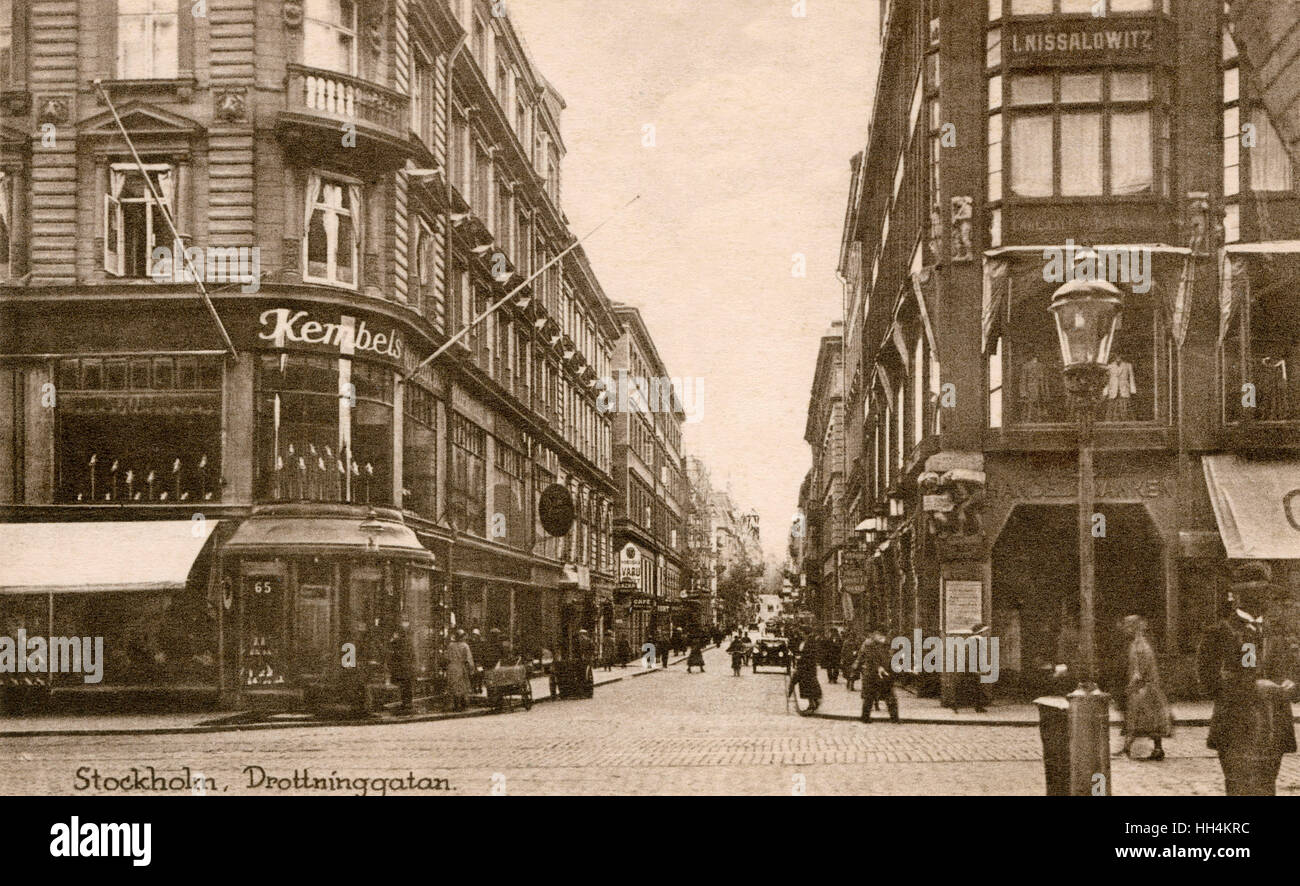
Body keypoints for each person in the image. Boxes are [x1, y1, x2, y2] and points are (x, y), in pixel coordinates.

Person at [1198, 562, 1297, 795]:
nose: (1263, 598)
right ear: (1238, 596)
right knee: (1240, 789)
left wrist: (1292, 684)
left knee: (1266, 789)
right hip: (1236, 728)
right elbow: (1208, 682)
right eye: (1254, 592)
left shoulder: (1276, 631)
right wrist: (1252, 687)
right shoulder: (1219, 632)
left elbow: (1292, 669)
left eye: (1265, 592)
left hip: (1274, 728)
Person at [1117, 615, 1171, 760]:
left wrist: (1131, 686)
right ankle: (1134, 747)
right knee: (1147, 719)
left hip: (1143, 688)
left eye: (1128, 626)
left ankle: (1135, 748)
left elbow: (1138, 671)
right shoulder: (1139, 643)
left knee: (1144, 719)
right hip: (1147, 687)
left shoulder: (1139, 646)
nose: (1126, 629)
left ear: (1133, 628)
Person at [853, 630, 899, 723]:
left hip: (884, 674)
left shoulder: (885, 645)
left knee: (890, 696)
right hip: (872, 674)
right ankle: (865, 718)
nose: (883, 638)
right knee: (869, 697)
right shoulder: (869, 645)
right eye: (880, 635)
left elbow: (889, 657)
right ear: (875, 635)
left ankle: (894, 718)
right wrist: (878, 667)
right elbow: (870, 658)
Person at [787, 631, 822, 714]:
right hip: (807, 668)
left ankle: (812, 704)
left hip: (805, 668)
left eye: (803, 633)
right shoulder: (806, 642)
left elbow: (807, 656)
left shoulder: (809, 643)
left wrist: (800, 659)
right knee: (808, 686)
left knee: (805, 686)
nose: (802, 634)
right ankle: (813, 702)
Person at [444, 629, 475, 712]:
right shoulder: (465, 646)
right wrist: (471, 669)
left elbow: (446, 657)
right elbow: (469, 658)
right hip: (460, 667)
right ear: (462, 637)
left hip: (451, 667)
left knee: (454, 685)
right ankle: (463, 704)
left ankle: (456, 704)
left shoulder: (450, 645)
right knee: (462, 686)